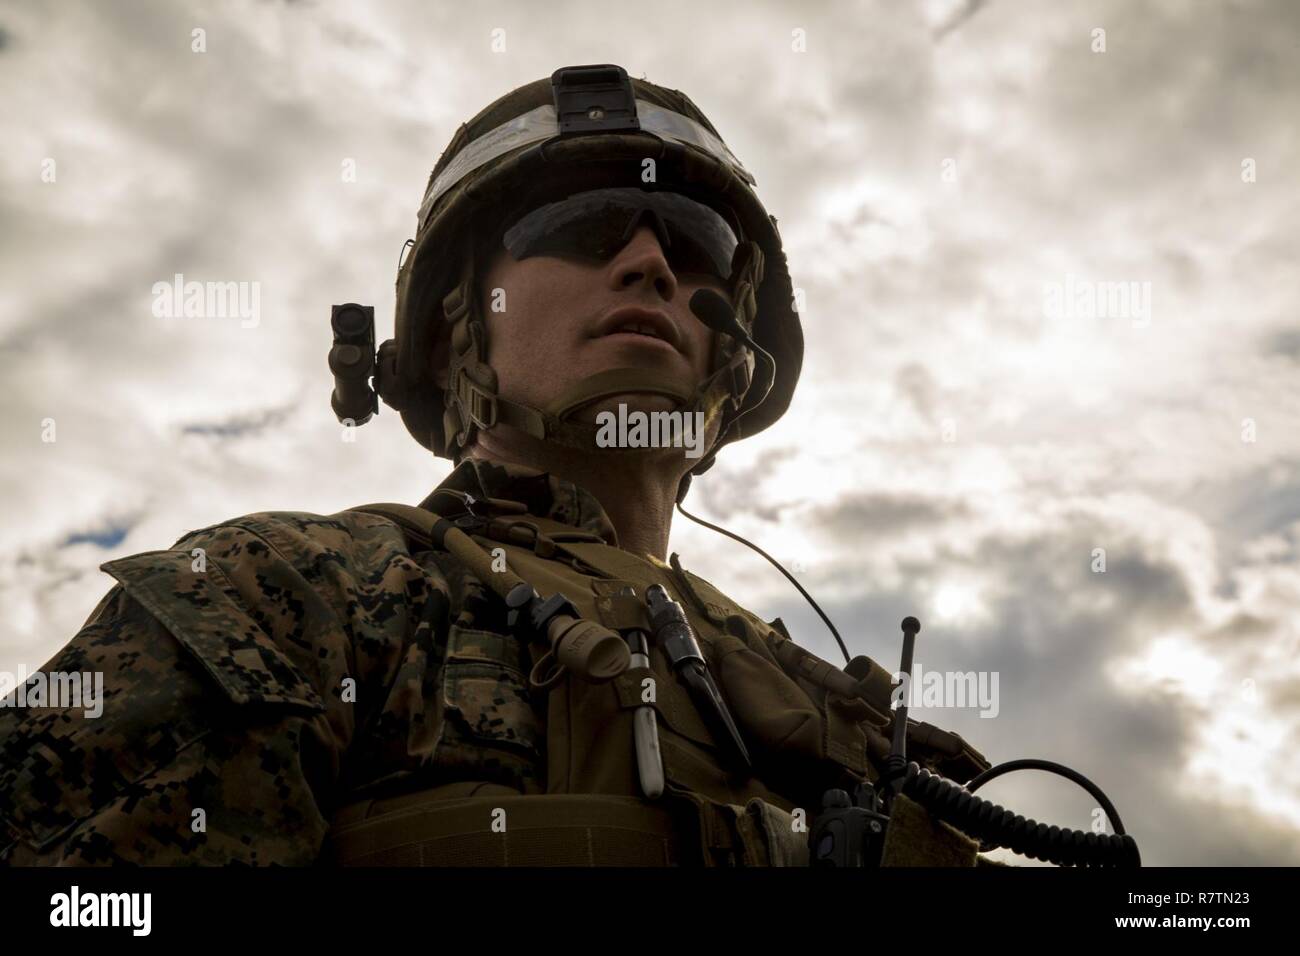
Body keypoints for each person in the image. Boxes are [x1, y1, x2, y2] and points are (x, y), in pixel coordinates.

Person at [0, 64, 990, 866]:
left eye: (694, 244)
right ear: (459, 325)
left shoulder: (831, 711)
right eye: (583, 227)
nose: (649, 263)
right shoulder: (295, 595)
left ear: (732, 348)